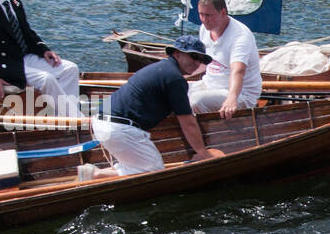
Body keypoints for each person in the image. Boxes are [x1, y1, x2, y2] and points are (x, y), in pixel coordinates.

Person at [83, 36, 226, 180]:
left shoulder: (163, 69)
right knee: (154, 171)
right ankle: (96, 174)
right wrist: (203, 153)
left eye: (202, 60)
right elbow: (188, 123)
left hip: (103, 122)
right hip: (118, 128)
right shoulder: (175, 79)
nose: (197, 63)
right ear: (177, 54)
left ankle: (92, 174)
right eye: (194, 56)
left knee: (142, 166)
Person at [188, 0, 263, 119]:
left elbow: (238, 70)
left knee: (195, 101)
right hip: (209, 85)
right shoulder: (204, 28)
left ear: (223, 12)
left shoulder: (240, 36)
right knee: (170, 93)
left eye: (208, 15)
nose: (204, 20)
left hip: (241, 94)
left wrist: (231, 99)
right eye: (201, 14)